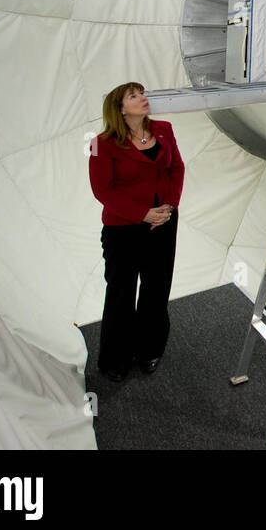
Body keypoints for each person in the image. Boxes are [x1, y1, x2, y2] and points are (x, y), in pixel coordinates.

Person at [88, 82, 184, 381]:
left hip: (163, 224)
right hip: (123, 230)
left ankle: (149, 350)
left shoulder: (164, 129)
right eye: (134, 95)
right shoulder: (100, 143)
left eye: (142, 93)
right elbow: (102, 190)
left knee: (156, 289)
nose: (143, 98)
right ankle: (115, 360)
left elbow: (176, 169)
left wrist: (168, 205)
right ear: (119, 109)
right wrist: (143, 214)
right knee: (121, 293)